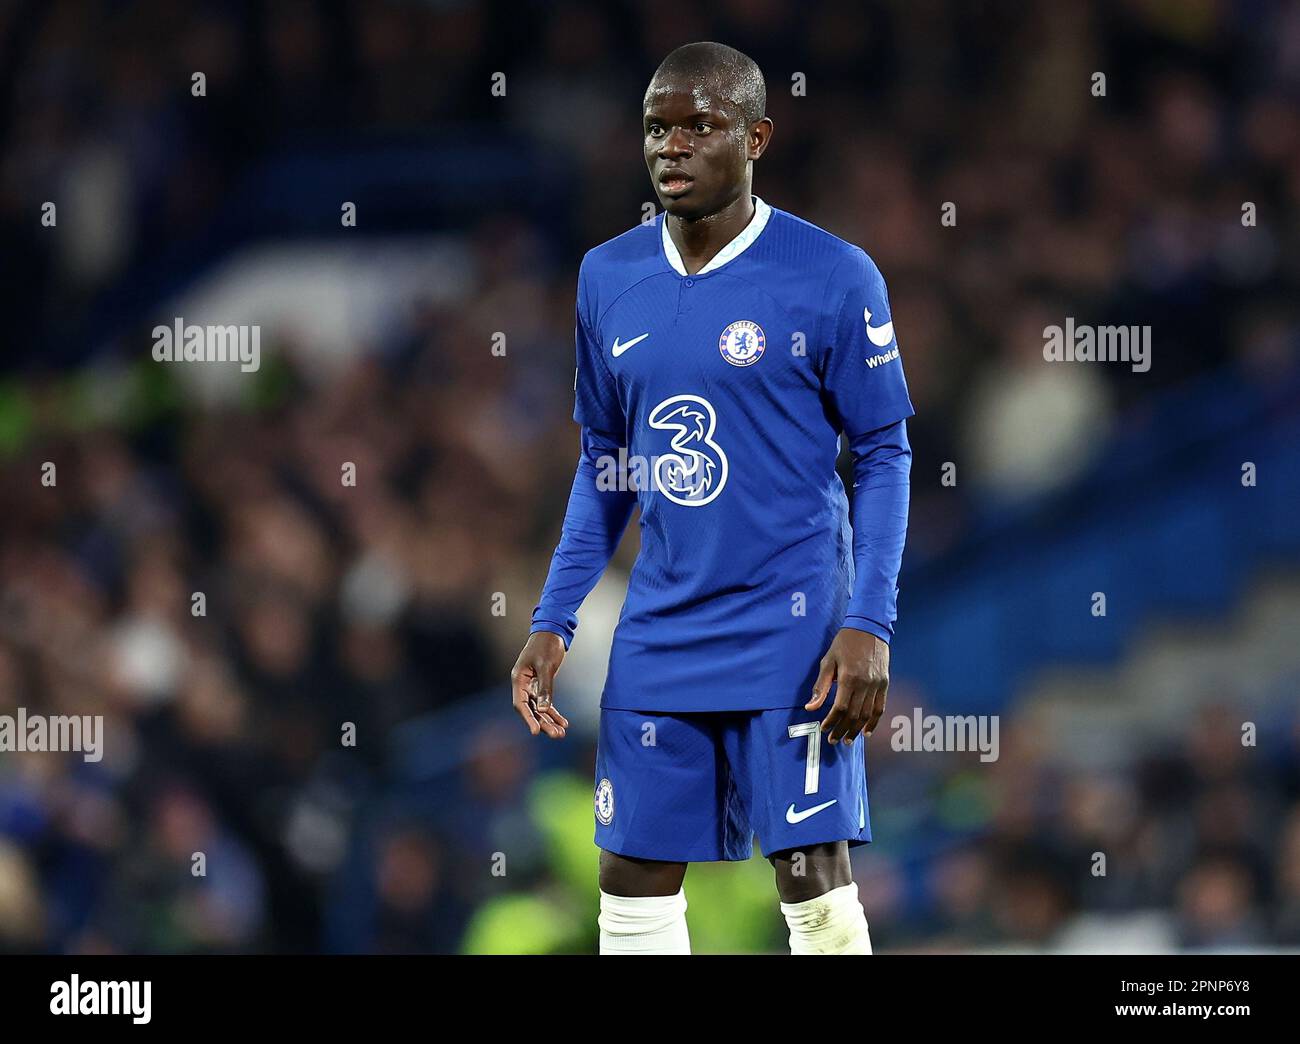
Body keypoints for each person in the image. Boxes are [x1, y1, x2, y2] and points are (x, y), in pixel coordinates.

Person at [510, 41, 913, 955]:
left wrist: (869, 624)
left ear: (757, 137)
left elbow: (886, 453)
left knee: (811, 874)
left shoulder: (834, 275)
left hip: (796, 622)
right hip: (664, 623)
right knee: (631, 880)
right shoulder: (608, 277)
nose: (674, 147)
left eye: (703, 126)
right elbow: (603, 463)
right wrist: (555, 616)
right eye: (658, 128)